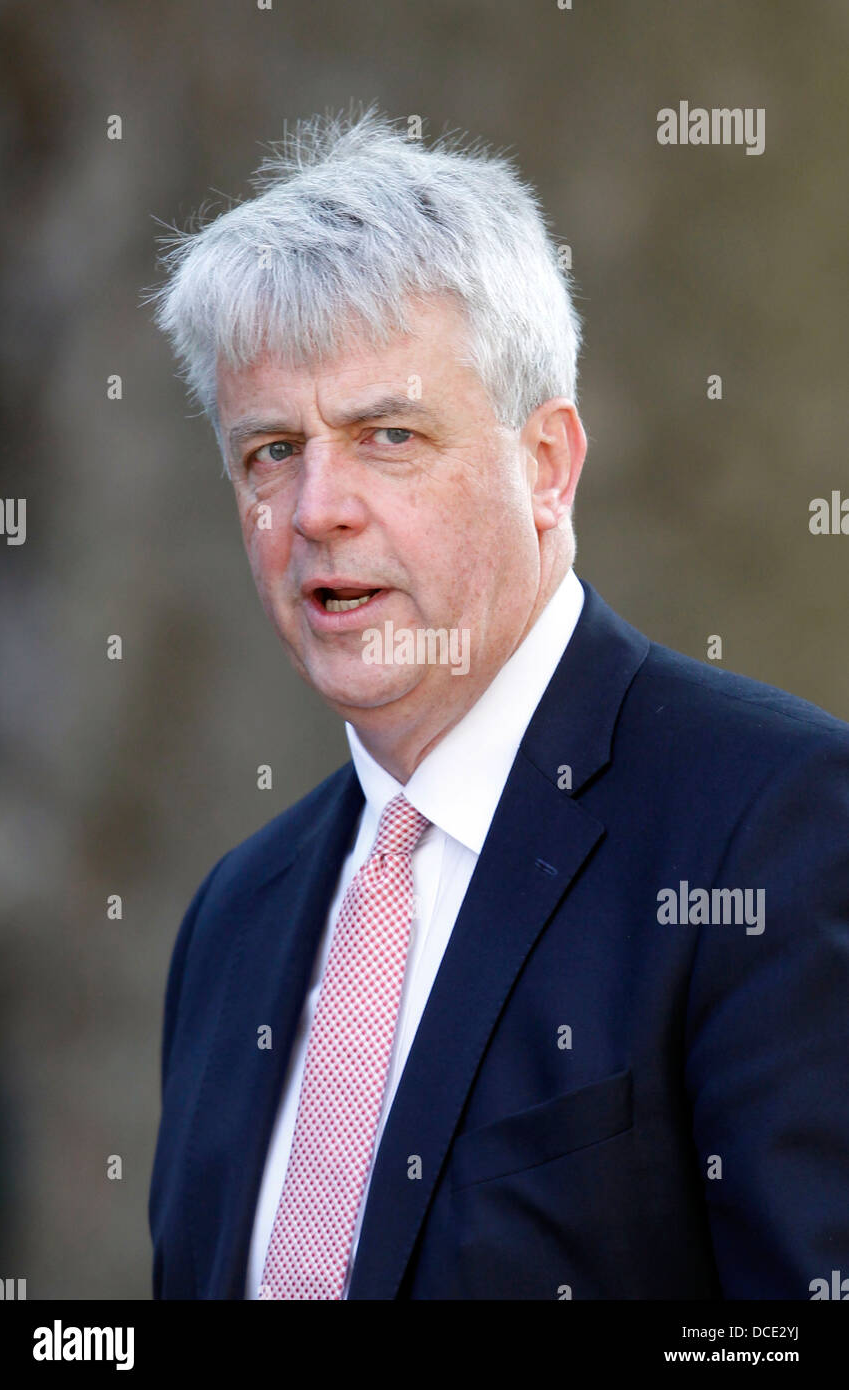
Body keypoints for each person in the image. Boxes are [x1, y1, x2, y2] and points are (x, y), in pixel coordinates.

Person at [147, 107, 849, 1300]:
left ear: (547, 465)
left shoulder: (777, 825)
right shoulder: (232, 919)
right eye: (271, 449)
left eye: (387, 434)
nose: (318, 506)